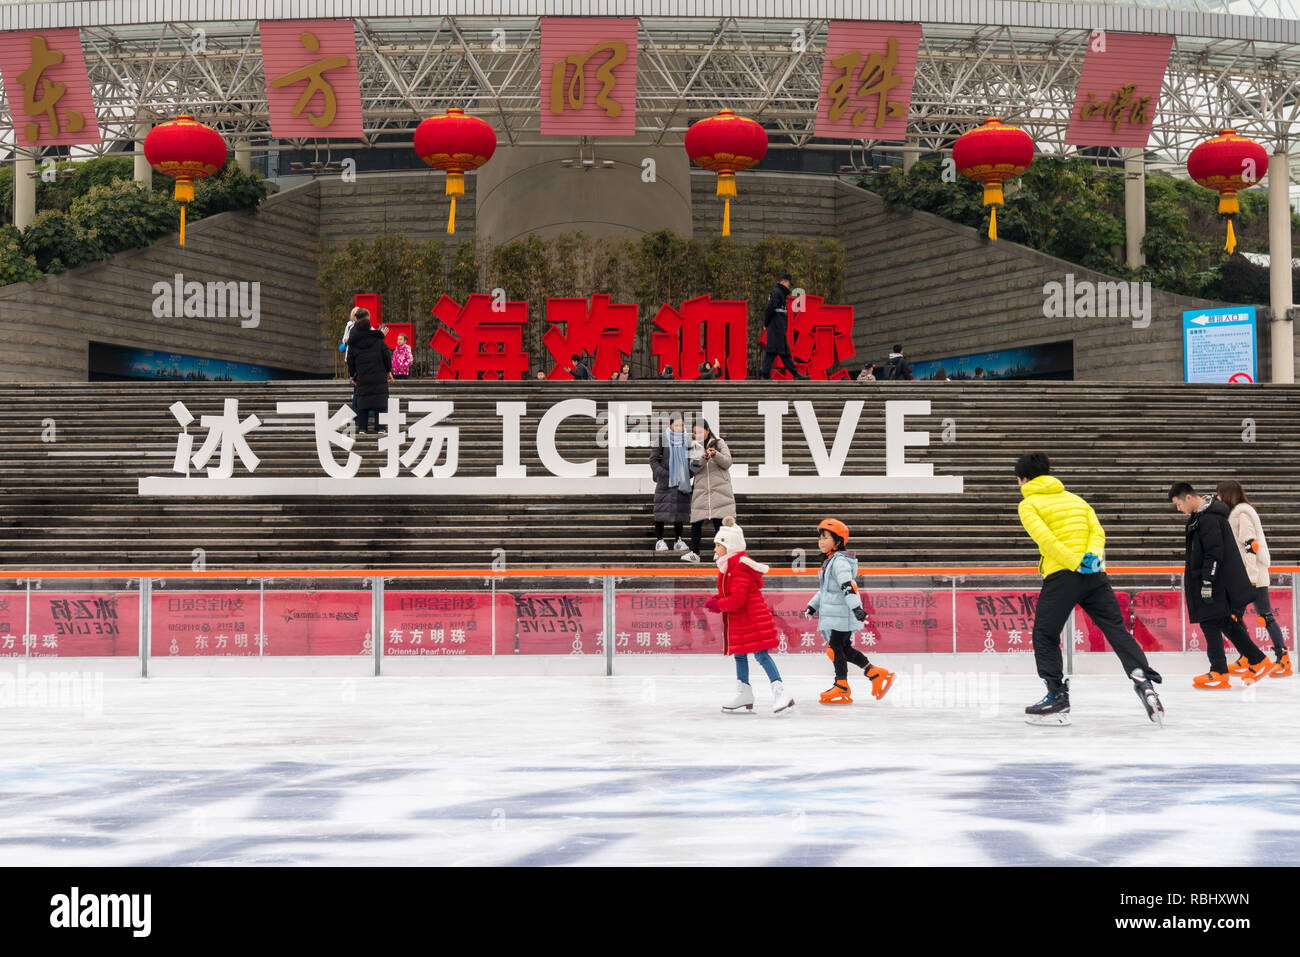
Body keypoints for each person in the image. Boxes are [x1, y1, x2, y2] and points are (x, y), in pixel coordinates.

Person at [1015, 453, 1164, 725]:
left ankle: (1057, 697)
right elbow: (1098, 532)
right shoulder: (1076, 500)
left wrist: (1073, 562)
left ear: (1023, 479)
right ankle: (1142, 679)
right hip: (1094, 574)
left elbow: (1046, 540)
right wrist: (1091, 558)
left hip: (1062, 577)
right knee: (1115, 629)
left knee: (1045, 634)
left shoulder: (1028, 504)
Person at [1170, 482, 1271, 687]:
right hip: (1213, 580)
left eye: (1178, 504)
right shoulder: (1201, 517)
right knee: (1224, 622)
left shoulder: (1208, 519)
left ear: (1188, 498)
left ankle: (1219, 672)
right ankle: (1258, 660)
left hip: (1213, 582)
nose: (1178, 509)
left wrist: (1207, 581)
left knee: (1210, 622)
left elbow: (1214, 553)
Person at [705, 517, 794, 714]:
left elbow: (737, 599)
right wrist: (716, 599)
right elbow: (729, 594)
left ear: (728, 546)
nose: (715, 549)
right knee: (740, 655)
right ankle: (744, 692)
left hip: (752, 618)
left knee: (761, 655)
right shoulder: (727, 565)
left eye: (717, 545)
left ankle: (780, 692)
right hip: (739, 619)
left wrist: (718, 605)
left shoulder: (740, 567)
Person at [803, 518, 894, 705]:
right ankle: (875, 673)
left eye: (825, 537)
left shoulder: (840, 562)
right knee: (843, 648)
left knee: (835, 648)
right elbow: (826, 591)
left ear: (838, 541)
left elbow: (848, 586)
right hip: (838, 615)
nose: (821, 541)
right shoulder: (831, 561)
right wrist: (813, 605)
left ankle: (842, 686)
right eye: (820, 538)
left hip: (842, 616)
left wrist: (856, 608)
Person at [1217, 480, 1291, 676]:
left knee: (1264, 616)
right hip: (1242, 576)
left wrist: (1249, 577)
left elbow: (1251, 547)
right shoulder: (1235, 514)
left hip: (1253, 576)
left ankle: (1283, 658)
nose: (1218, 498)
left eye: (1219, 494)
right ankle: (1247, 656)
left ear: (1227, 494)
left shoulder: (1241, 514)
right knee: (1235, 617)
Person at [682, 422, 734, 563]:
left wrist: (715, 454)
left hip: (720, 488)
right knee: (696, 521)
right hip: (701, 489)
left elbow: (728, 462)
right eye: (695, 432)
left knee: (719, 521)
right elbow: (693, 468)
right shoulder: (694, 446)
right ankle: (695, 552)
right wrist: (704, 458)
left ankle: (719, 553)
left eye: (700, 431)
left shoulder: (719, 442)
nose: (697, 435)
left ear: (707, 430)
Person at [648, 412, 691, 553]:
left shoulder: (688, 440)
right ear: (670, 425)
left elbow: (693, 461)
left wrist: (687, 474)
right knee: (660, 511)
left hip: (681, 483)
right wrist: (666, 474)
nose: (679, 427)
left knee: (679, 512)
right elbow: (653, 460)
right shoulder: (662, 439)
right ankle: (659, 540)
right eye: (676, 424)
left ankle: (678, 540)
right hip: (664, 483)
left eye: (682, 425)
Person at [759, 272, 810, 380]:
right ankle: (765, 373)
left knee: (783, 352)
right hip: (776, 328)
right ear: (783, 281)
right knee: (774, 351)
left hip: (778, 328)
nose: (789, 286)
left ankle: (794, 374)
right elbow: (770, 308)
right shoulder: (777, 292)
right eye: (788, 283)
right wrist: (766, 323)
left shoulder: (780, 293)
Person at [347, 321, 393, 434]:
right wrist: (388, 371)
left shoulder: (354, 345)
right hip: (379, 377)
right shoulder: (379, 341)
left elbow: (350, 361)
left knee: (362, 403)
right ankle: (381, 427)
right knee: (380, 403)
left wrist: (353, 375)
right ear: (369, 329)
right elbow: (387, 356)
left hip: (362, 378)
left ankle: (362, 428)